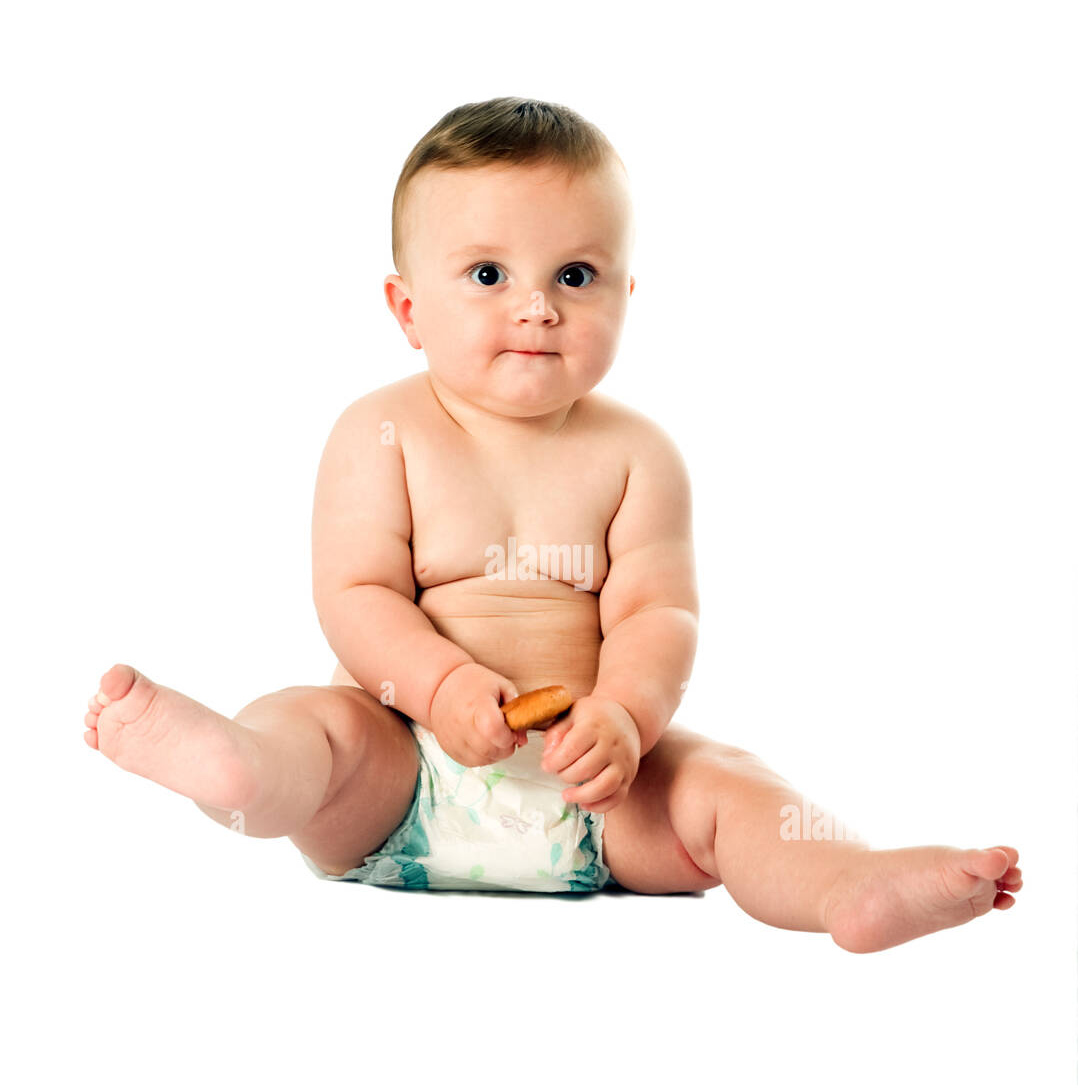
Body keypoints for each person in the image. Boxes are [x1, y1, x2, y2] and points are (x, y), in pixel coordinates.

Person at [83, 97, 1021, 949]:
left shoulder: (637, 455)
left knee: (722, 781)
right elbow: (354, 594)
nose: (536, 306)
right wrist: (442, 687)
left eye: (576, 274)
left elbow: (660, 614)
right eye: (487, 273)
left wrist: (625, 712)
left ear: (626, 299)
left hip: (596, 800)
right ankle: (240, 769)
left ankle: (842, 886)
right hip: (403, 773)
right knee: (316, 728)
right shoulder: (384, 433)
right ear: (408, 308)